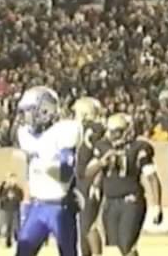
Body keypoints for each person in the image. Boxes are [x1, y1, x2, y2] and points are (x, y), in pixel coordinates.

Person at [14, 86, 82, 256]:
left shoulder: (64, 131)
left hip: (60, 206)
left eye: (30, 111)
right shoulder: (25, 135)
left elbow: (65, 175)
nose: (26, 117)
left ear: (45, 111)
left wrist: (42, 164)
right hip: (38, 205)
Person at [89, 112, 164, 256]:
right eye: (111, 131)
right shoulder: (103, 147)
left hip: (131, 201)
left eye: (117, 131)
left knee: (126, 245)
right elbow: (101, 170)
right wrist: (96, 185)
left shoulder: (139, 148)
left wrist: (157, 205)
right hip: (110, 202)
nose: (113, 135)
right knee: (113, 247)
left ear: (127, 131)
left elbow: (152, 177)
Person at [72, 96, 105, 256]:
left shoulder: (95, 129)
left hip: (89, 180)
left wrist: (97, 182)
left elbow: (102, 157)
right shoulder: (83, 128)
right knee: (82, 224)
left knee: (88, 224)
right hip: (80, 180)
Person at [0, 173, 23, 248]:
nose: (13, 181)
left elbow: (21, 198)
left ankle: (18, 240)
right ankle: (8, 242)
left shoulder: (18, 189)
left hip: (15, 209)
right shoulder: (5, 189)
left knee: (16, 226)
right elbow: (1, 198)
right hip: (6, 209)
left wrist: (14, 197)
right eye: (11, 179)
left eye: (14, 179)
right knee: (7, 226)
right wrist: (7, 197)